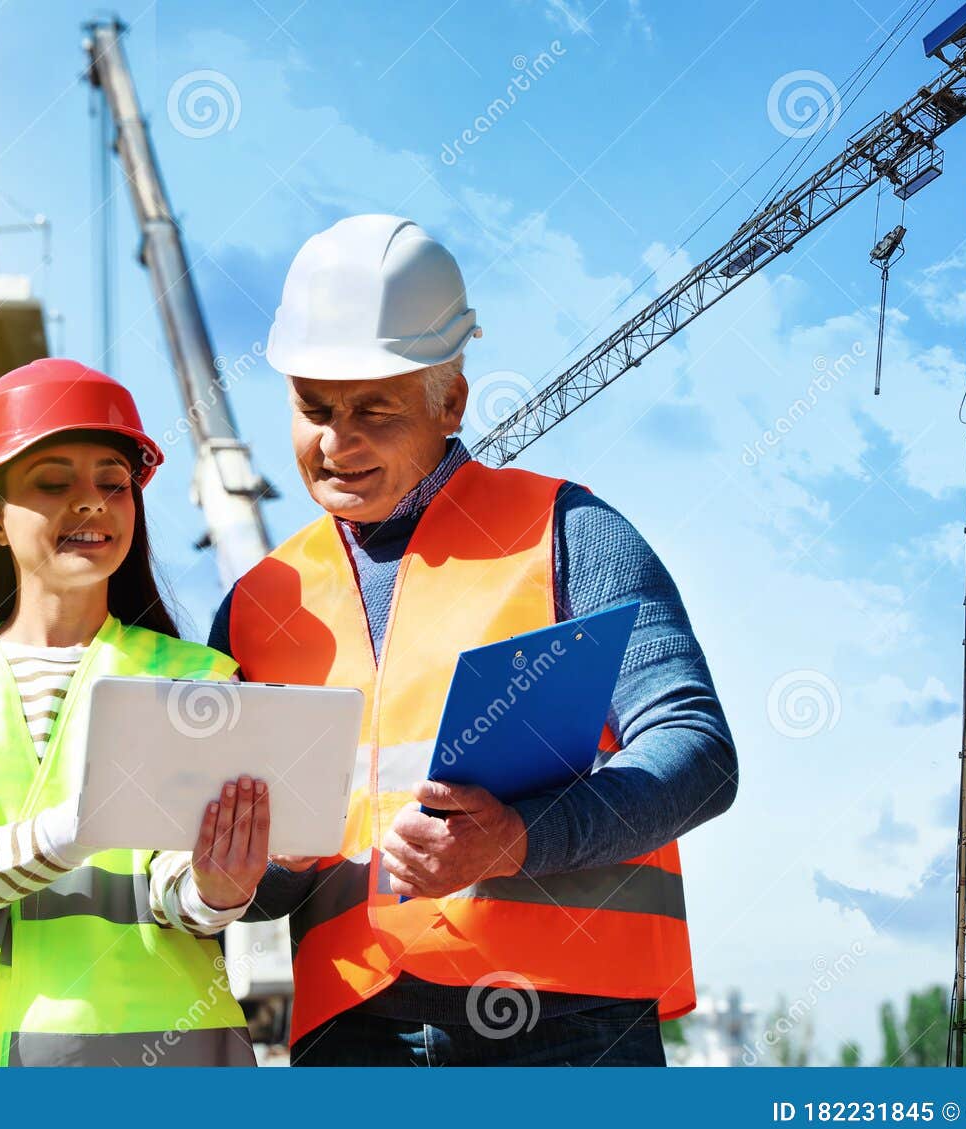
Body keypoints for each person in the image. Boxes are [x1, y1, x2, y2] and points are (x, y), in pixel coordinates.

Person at [210, 215, 739, 1066]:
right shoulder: (256, 605)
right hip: (352, 1032)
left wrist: (519, 838)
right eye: (313, 408)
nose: (335, 443)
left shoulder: (567, 531)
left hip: (566, 1025)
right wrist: (273, 863)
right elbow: (247, 887)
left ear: (450, 401)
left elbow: (698, 751)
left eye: (373, 409)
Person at [0, 358, 271, 1067]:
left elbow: (176, 896)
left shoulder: (198, 677)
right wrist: (87, 822)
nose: (92, 502)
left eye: (114, 483)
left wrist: (216, 887)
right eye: (53, 483)